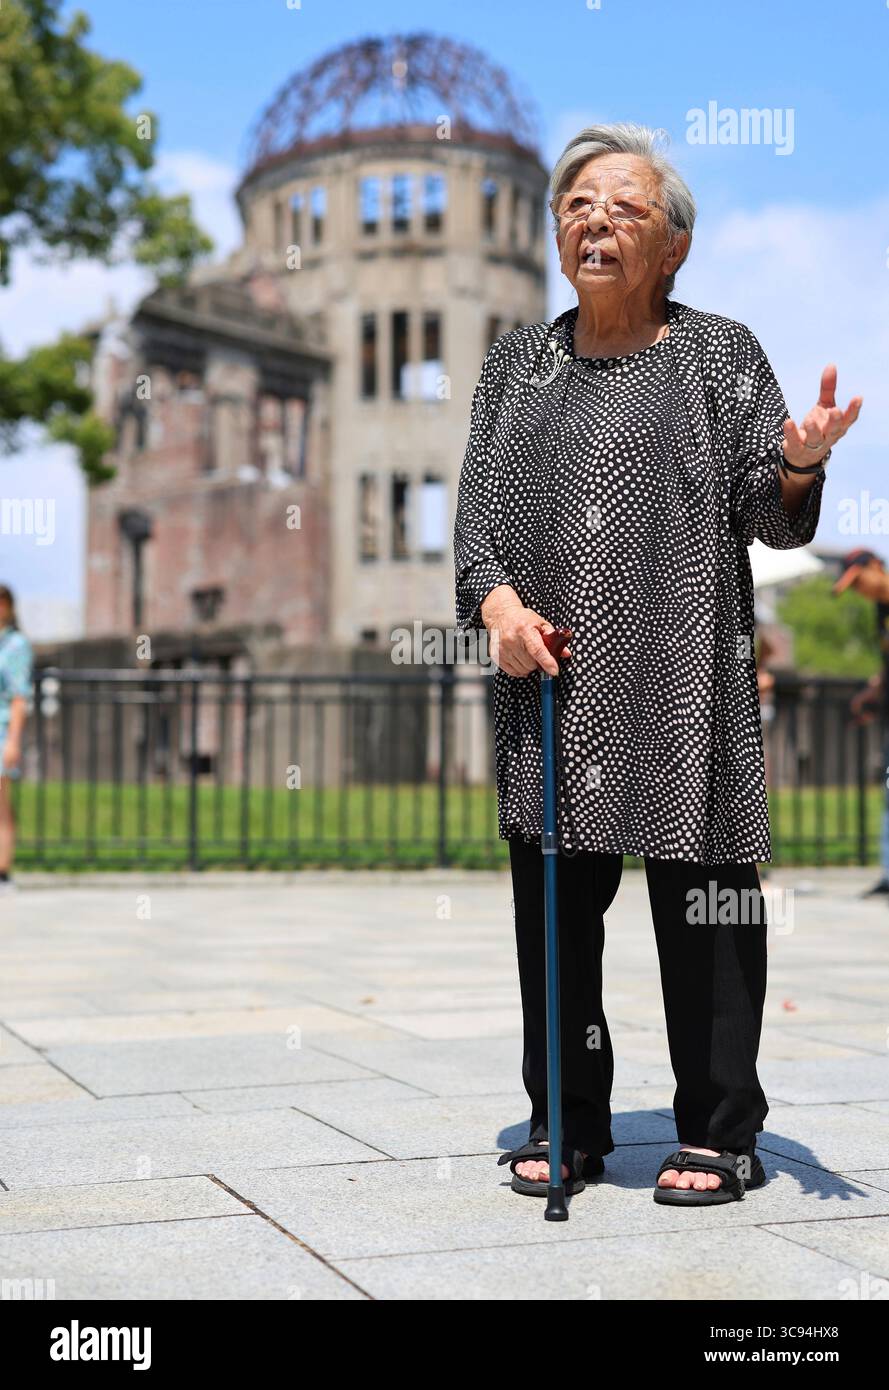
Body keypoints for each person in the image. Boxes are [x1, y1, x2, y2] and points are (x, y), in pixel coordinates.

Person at [453, 123, 862, 1206]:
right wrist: (496, 606)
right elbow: (476, 528)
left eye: (623, 209)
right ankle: (566, 1119)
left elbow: (765, 520)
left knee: (706, 916)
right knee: (554, 919)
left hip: (687, 684)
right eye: (577, 206)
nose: (595, 222)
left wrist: (797, 460)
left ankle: (722, 1128)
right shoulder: (516, 364)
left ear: (673, 246)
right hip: (555, 681)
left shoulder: (718, 353)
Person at [833, 549, 889, 896]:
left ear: (876, 568)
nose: (859, 592)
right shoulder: (881, 612)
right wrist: (874, 690)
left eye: (858, 583)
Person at [0, 585, 34, 892]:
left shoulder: (16, 645)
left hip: (1, 729)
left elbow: (20, 696)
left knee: (0, 804)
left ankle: (3, 872)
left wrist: (12, 741)